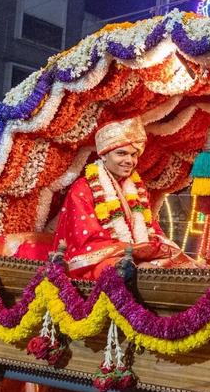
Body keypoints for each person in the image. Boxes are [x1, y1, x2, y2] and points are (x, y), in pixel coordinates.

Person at [45, 117, 189, 278]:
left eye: (134, 155)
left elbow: (151, 229)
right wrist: (133, 250)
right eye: (121, 153)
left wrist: (157, 246)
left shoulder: (137, 189)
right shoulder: (83, 188)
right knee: (132, 271)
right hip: (96, 260)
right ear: (104, 155)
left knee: (181, 267)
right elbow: (86, 241)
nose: (129, 161)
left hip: (135, 254)